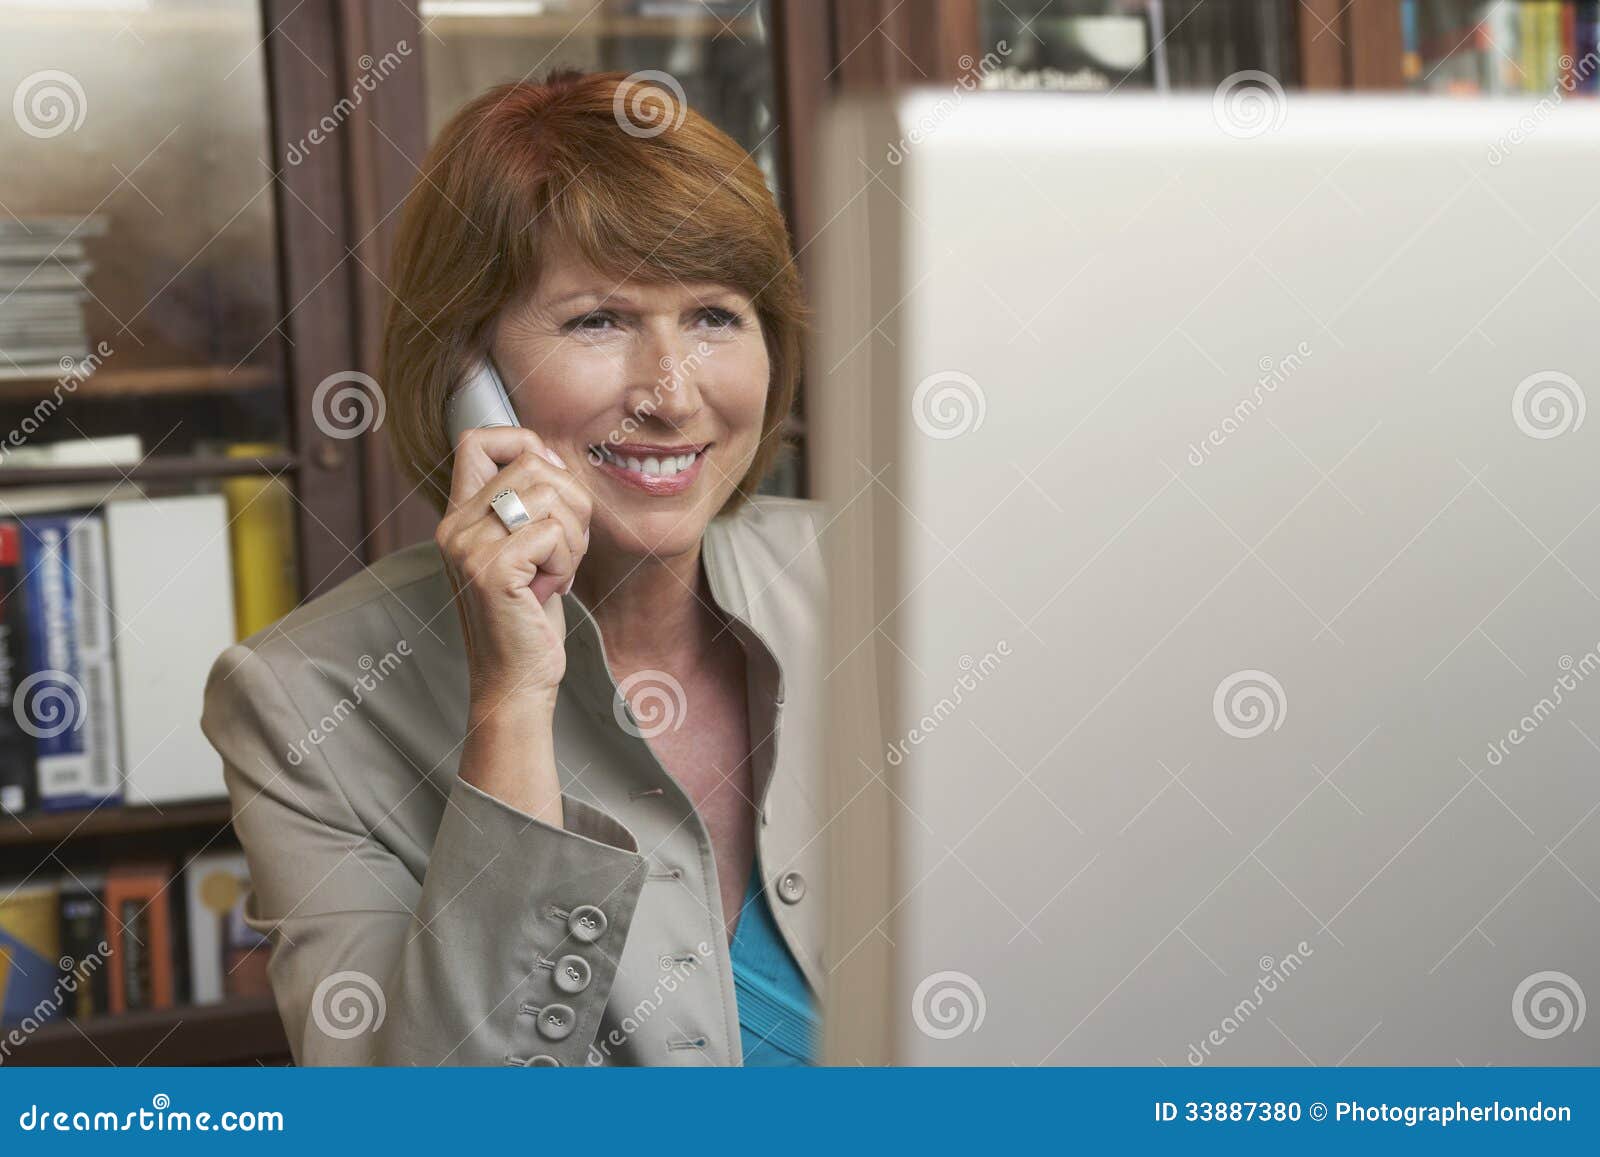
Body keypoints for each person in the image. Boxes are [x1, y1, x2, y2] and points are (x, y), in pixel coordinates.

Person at [200, 69, 826, 1066]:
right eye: (598, 320)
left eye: (713, 315)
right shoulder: (299, 705)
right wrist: (512, 698)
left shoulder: (885, 578)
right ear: (465, 376)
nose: (670, 394)